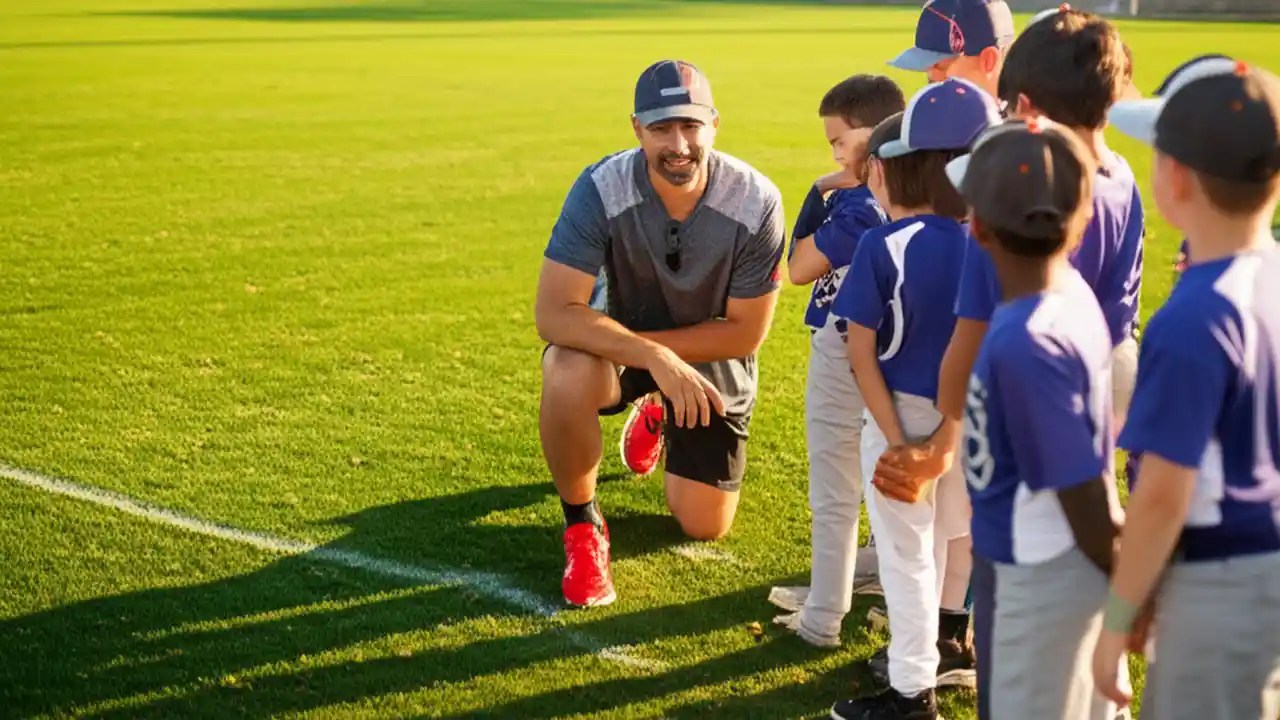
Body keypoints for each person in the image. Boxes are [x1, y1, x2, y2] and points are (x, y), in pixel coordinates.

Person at [536, 59, 785, 608]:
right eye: (661, 128)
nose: (678, 144)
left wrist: (667, 361)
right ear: (636, 129)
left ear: (714, 124)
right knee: (565, 367)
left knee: (703, 525)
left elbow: (744, 334)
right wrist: (652, 358)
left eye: (691, 126)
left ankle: (660, 414)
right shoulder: (600, 188)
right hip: (619, 346)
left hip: (708, 349)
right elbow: (554, 314)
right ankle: (583, 527)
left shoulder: (757, 200)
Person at [1093, 56, 1280, 720]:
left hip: (1219, 584)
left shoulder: (1193, 316)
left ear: (1174, 178)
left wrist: (1119, 615)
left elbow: (1162, 497)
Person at [829, 78, 999, 720]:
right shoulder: (994, 245)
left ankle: (910, 690)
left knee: (906, 559)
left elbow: (859, 352)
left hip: (899, 410)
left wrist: (898, 439)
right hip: (970, 421)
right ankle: (951, 646)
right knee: (958, 540)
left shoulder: (883, 245)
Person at [950, 118, 1123, 720]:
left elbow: (1076, 487)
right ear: (1082, 223)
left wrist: (1127, 591)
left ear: (975, 226)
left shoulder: (1027, 341)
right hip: (1048, 565)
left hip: (1039, 575)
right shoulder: (1067, 294)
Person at [769, 74, 905, 648]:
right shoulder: (913, 195)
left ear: (873, 139)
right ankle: (885, 591)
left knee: (835, 484)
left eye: (839, 142)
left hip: (844, 346)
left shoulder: (856, 208)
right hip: (900, 353)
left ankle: (823, 615)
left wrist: (818, 192)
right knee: (889, 479)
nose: (833, 154)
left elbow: (797, 267)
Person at [888, 0, 1015, 94]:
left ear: (988, 61)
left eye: (941, 66)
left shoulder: (1024, 128)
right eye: (926, 67)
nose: (932, 77)